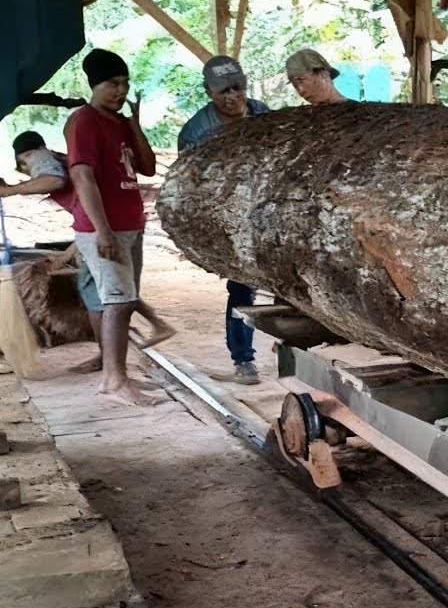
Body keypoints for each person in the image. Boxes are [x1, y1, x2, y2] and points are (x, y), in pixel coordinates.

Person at [2, 131, 172, 375]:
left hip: (103, 229)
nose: (27, 169)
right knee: (109, 286)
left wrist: (10, 191)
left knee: (101, 291)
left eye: (24, 164)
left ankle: (112, 363)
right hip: (109, 224)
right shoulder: (62, 158)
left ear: (26, 154)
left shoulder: (40, 157)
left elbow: (54, 180)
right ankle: (149, 330)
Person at [64, 48, 172, 406]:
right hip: (104, 228)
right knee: (117, 301)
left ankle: (119, 374)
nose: (121, 90)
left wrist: (135, 124)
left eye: (125, 83)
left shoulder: (120, 122)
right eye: (113, 83)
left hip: (130, 224)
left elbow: (148, 167)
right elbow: (82, 176)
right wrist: (103, 231)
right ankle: (114, 380)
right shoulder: (85, 120)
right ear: (95, 84)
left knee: (123, 301)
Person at [178, 55, 269, 385]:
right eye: (223, 92)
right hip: (229, 217)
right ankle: (243, 359)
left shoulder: (264, 115)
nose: (233, 97)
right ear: (208, 93)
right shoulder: (197, 133)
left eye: (238, 88)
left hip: (267, 210)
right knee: (241, 288)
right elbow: (191, 186)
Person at [285, 49, 349, 106]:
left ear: (323, 74)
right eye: (295, 85)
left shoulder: (355, 110)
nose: (301, 91)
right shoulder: (303, 115)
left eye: (302, 80)